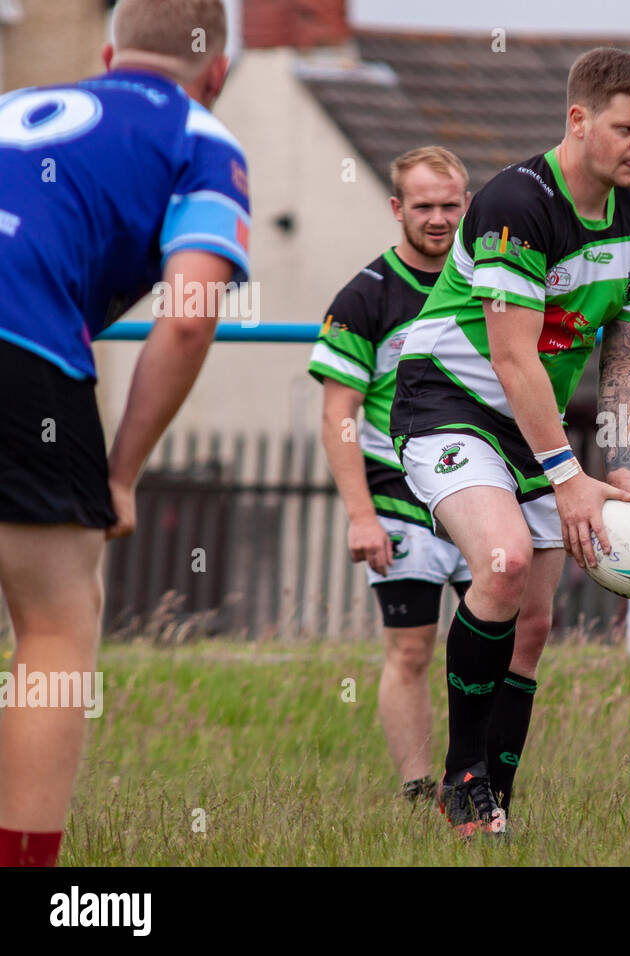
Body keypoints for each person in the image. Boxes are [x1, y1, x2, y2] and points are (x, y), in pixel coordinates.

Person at [390, 47, 630, 837]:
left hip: (534, 426)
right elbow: (512, 354)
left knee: (536, 624)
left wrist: (617, 471)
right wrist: (566, 476)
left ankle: (496, 800)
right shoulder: (517, 201)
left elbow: (626, 360)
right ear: (579, 121)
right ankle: (461, 784)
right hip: (450, 403)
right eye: (626, 128)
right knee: (504, 561)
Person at [0, 0, 250, 866]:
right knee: (54, 624)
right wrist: (122, 472)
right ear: (214, 74)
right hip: (23, 350)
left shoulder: (12, 106)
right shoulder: (201, 138)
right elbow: (188, 315)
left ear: (109, 54)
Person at [309, 146, 473, 804]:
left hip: (480, 488)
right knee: (411, 651)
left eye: (450, 205)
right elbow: (337, 413)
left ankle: (476, 780)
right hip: (398, 499)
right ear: (397, 208)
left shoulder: (491, 283)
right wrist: (360, 515)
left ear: (468, 204)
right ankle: (415, 787)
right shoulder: (364, 296)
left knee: (494, 648)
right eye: (424, 206)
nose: (438, 219)